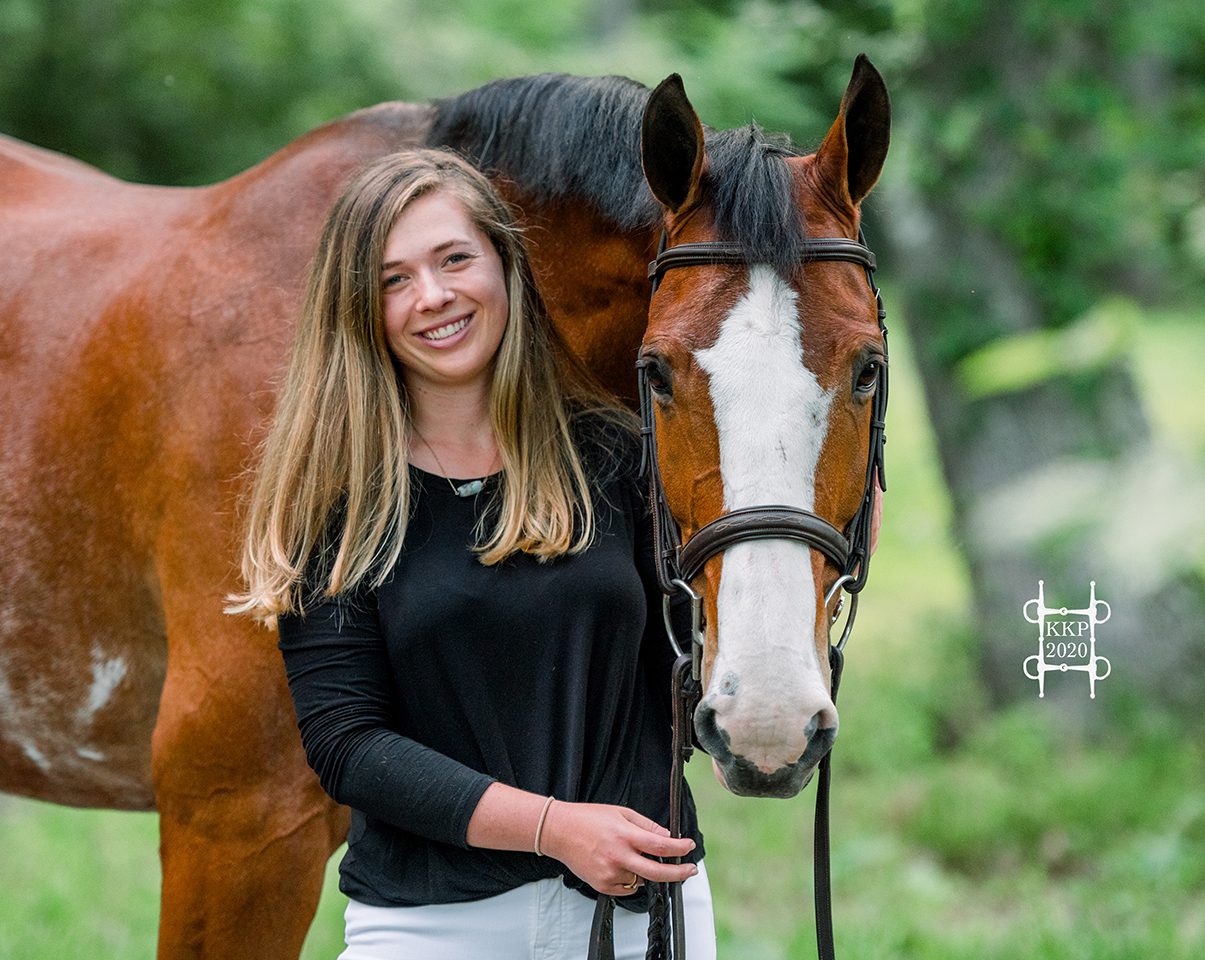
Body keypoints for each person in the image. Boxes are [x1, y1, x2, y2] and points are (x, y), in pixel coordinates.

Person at [231, 148, 713, 960]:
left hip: (639, 907)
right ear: (357, 308)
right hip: (431, 928)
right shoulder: (336, 504)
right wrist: (555, 829)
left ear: (504, 264)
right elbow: (348, 745)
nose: (433, 296)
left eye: (454, 259)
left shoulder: (618, 458)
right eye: (394, 279)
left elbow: (690, 665)